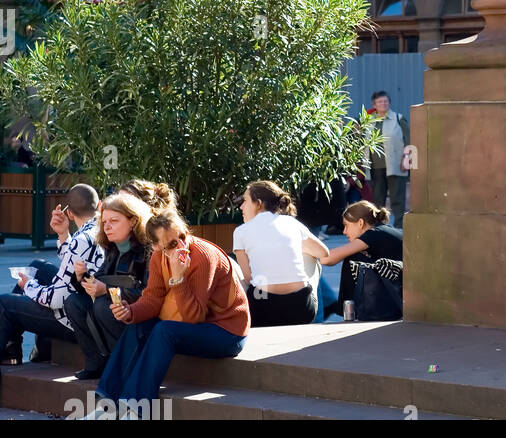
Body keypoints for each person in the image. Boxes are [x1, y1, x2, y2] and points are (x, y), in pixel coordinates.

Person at [0, 184, 102, 409]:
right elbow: (72, 273)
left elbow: (56, 299)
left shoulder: (81, 240)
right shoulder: (100, 229)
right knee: (37, 265)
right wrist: (64, 234)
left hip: (75, 321)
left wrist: (29, 286)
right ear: (98, 206)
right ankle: (10, 348)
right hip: (88, 308)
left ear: (69, 212)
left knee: (3, 304)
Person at [86, 208, 249, 419]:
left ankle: (136, 410)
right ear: (155, 246)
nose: (180, 246)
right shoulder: (157, 258)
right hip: (193, 324)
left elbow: (193, 317)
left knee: (164, 330)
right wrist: (129, 311)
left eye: (182, 238)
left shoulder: (203, 257)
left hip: (227, 332)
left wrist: (179, 279)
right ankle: (105, 407)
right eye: (171, 244)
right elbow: (152, 300)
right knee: (138, 325)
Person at [62, 190, 152, 380]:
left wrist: (109, 291)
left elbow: (149, 294)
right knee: (74, 302)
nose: (107, 226)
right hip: (119, 313)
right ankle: (96, 362)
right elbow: (99, 281)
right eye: (104, 222)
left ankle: (126, 365)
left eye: (114, 221)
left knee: (104, 305)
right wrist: (82, 277)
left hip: (141, 319)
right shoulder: (113, 248)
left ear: (133, 221)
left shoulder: (147, 250)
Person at [232, 180, 329, 327]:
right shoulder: (292, 223)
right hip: (301, 311)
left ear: (258, 203)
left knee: (232, 263)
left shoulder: (241, 232)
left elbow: (248, 278)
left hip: (262, 311)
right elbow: (323, 252)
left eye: (245, 201)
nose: (241, 206)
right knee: (310, 257)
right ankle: (319, 316)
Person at [320, 200, 403, 321]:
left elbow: (326, 259)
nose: (344, 232)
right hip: (397, 294)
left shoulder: (373, 234)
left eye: (347, 225)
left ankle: (349, 312)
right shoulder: (386, 230)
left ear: (360, 223)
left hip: (389, 301)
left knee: (351, 257)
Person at [364, 92, 409, 224]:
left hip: (395, 166)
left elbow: (409, 140)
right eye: (380, 102)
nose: (383, 104)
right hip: (375, 167)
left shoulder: (398, 118)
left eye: (385, 101)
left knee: (397, 199)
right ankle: (380, 226)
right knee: (378, 200)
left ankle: (399, 226)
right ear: (374, 105)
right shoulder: (368, 120)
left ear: (389, 103)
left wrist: (407, 160)